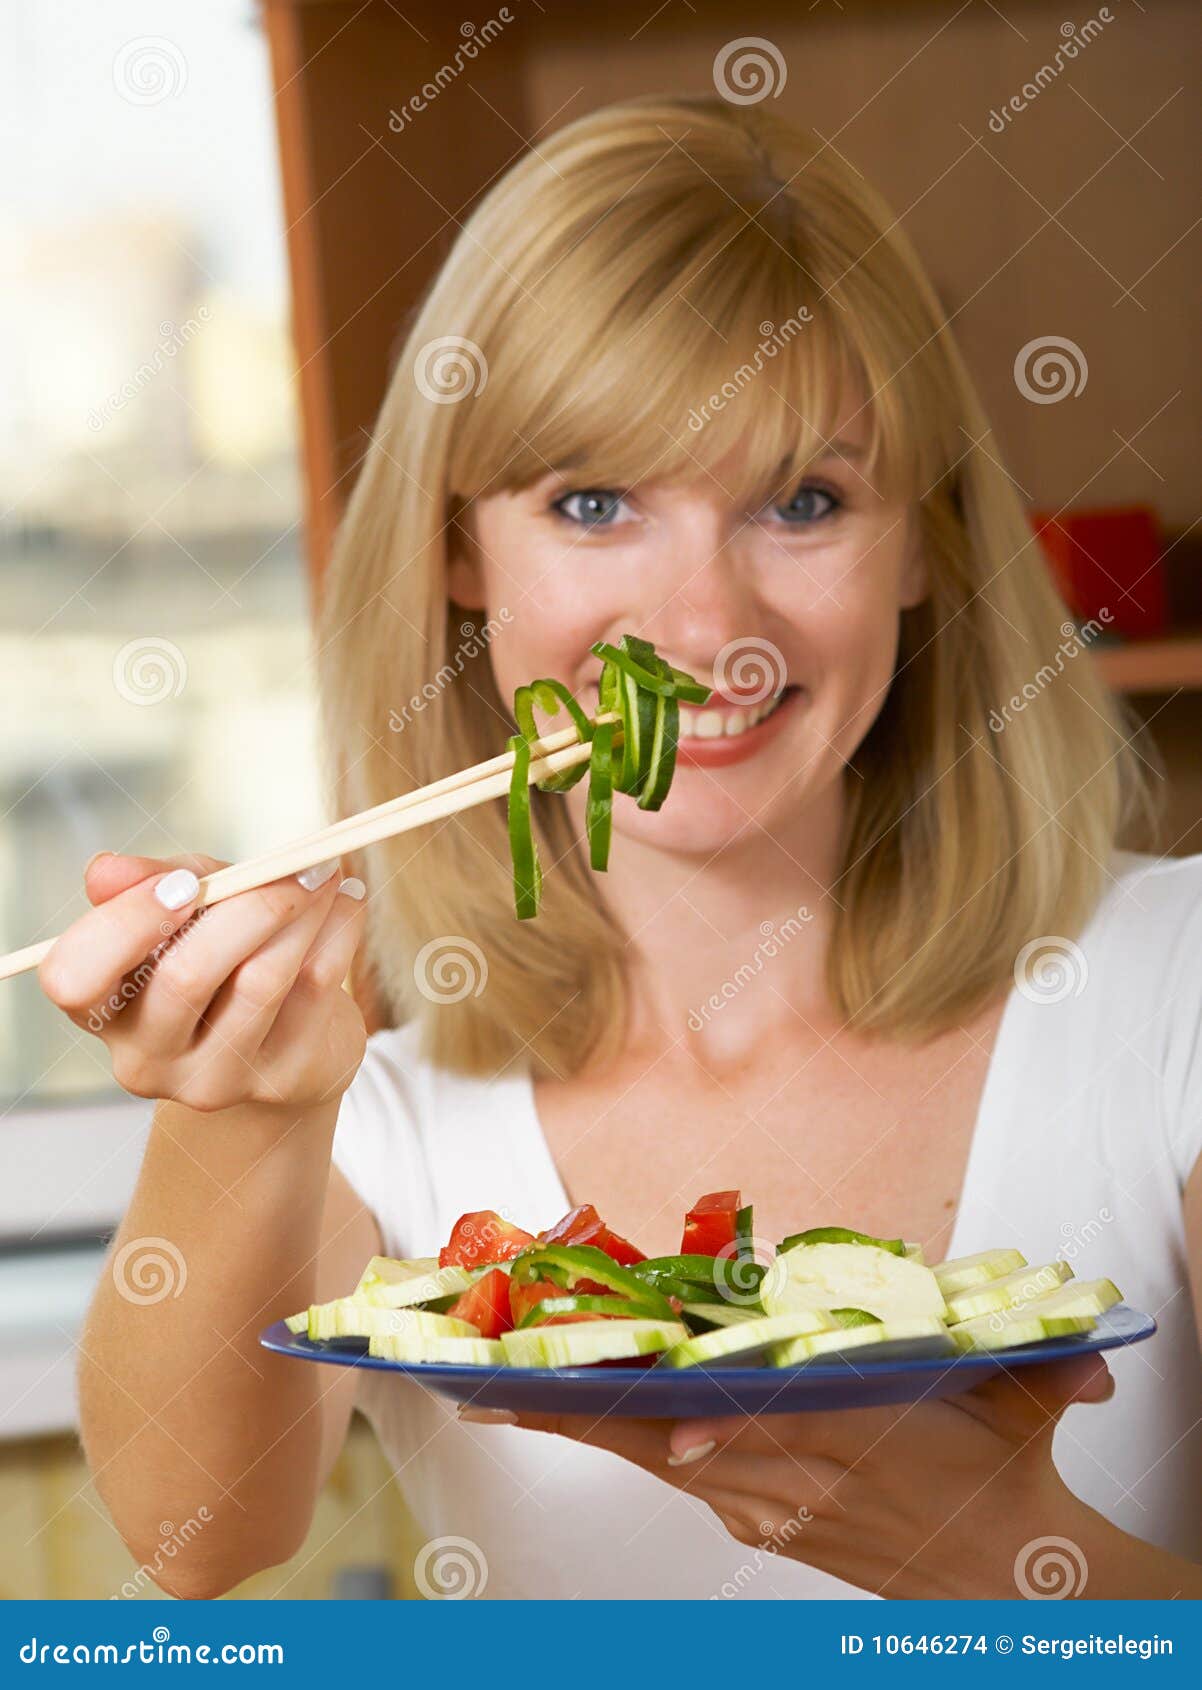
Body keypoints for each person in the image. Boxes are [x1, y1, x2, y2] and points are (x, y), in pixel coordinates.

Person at [48, 96, 1201, 1600]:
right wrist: (234, 1114)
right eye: (592, 504)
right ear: (461, 554)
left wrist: (996, 1559)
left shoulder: (1169, 989)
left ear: (920, 541)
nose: (706, 627)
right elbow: (192, 1541)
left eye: (804, 500)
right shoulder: (377, 1101)